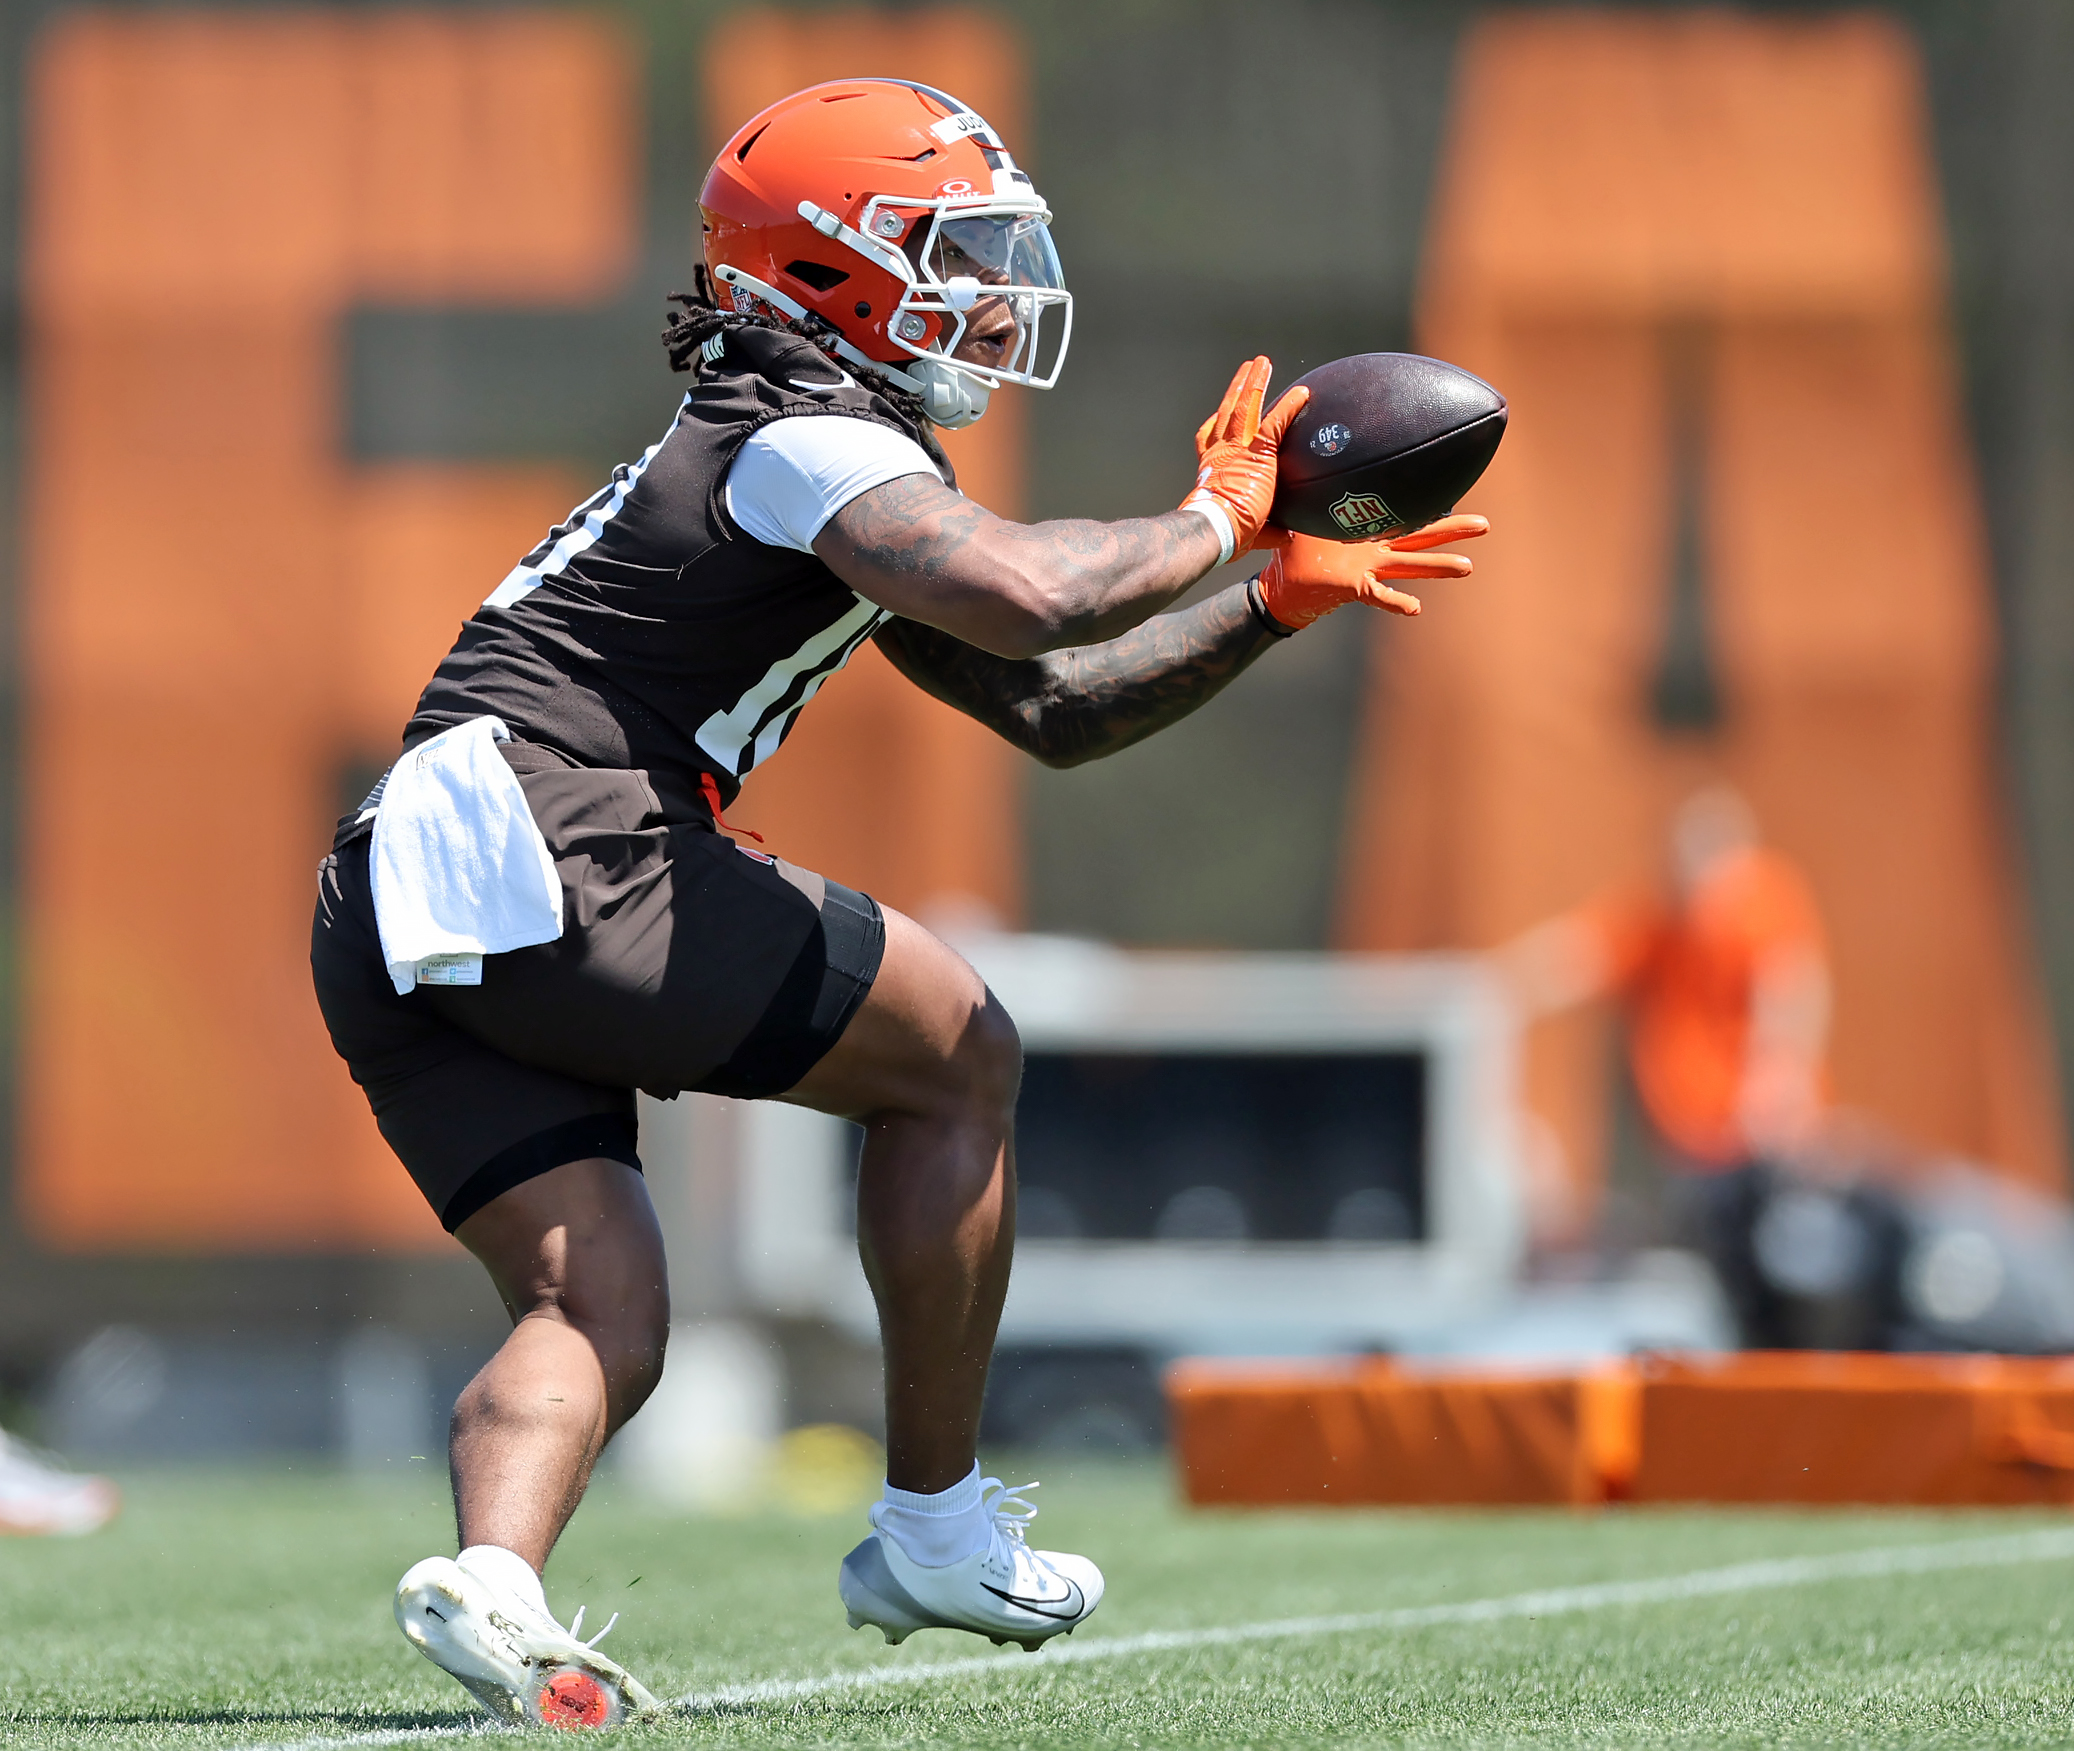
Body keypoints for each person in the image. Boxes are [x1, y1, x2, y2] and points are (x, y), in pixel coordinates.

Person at [309, 77, 1482, 1728]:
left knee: (597, 1306)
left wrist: (1267, 601)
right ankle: (931, 1524)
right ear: (834, 269)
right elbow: (1030, 598)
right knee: (956, 1045)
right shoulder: (802, 438)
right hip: (559, 835)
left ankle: (489, 1581)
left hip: (400, 888)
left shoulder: (801, 457)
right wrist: (1225, 510)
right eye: (953, 252)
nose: (992, 295)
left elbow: (1056, 708)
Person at [1498, 786, 1832, 1338]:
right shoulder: (1660, 918)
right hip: (1691, 1144)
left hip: (1760, 1142)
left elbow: (1789, 988)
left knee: (1777, 1282)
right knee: (1703, 1282)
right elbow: (1581, 953)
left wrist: (1775, 1080)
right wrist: (1497, 983)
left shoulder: (1764, 902)